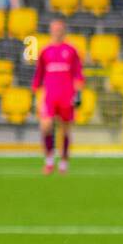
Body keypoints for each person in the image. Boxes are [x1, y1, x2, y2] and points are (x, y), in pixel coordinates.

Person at [32, 17, 84, 175]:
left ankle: (64, 161)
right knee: (45, 126)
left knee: (65, 129)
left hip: (66, 94)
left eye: (59, 29)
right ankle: (48, 160)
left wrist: (78, 94)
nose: (57, 32)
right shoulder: (45, 51)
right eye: (54, 29)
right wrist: (34, 93)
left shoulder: (71, 50)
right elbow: (39, 74)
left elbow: (78, 74)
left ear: (64, 31)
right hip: (50, 95)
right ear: (51, 31)